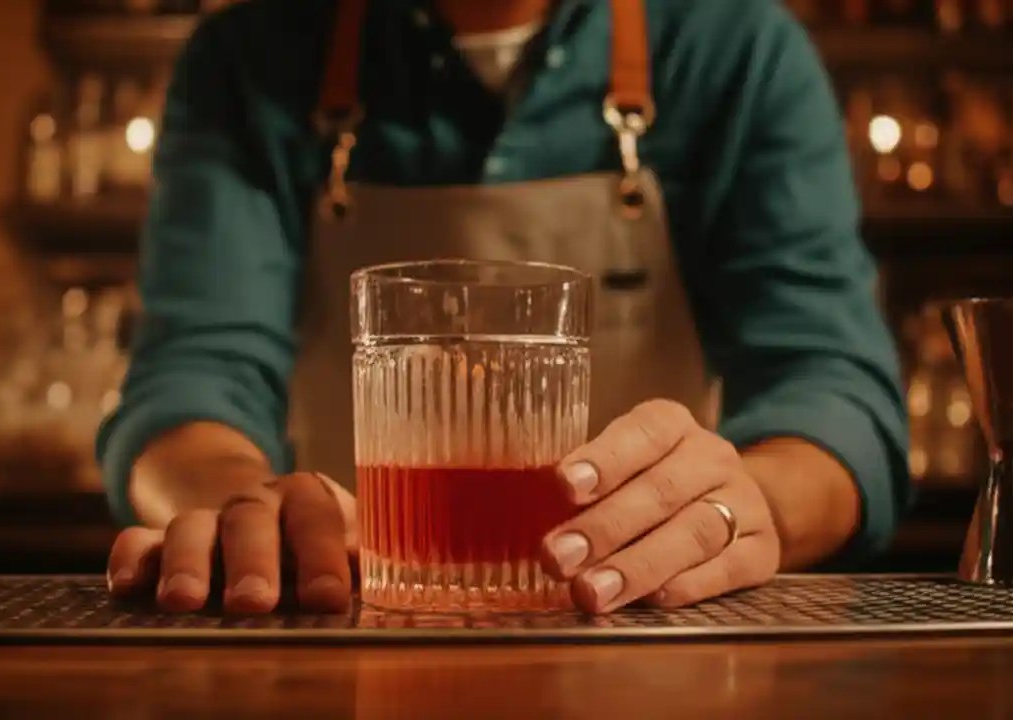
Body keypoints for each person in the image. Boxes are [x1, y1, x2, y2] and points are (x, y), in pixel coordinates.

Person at [99, 0, 909, 616]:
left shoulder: (732, 45)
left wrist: (741, 507)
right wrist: (246, 510)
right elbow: (194, 373)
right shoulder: (251, 55)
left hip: (640, 642)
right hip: (357, 617)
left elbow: (835, 391)